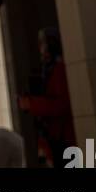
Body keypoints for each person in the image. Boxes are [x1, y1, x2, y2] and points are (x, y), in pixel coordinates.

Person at [17, 26, 76, 167]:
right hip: (53, 139)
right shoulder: (48, 70)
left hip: (64, 138)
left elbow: (61, 104)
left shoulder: (59, 69)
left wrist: (32, 104)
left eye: (43, 43)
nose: (41, 48)